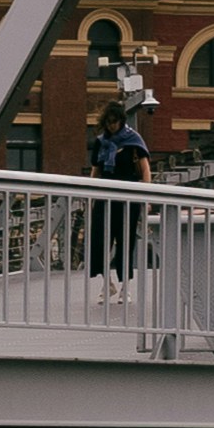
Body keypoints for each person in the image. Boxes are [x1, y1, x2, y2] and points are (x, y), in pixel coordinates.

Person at [88, 101, 153, 292]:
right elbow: (96, 169)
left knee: (126, 240)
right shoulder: (101, 142)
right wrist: (90, 194)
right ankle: (106, 283)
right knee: (100, 240)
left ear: (121, 121)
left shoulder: (133, 140)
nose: (111, 126)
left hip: (127, 199)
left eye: (114, 122)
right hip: (104, 197)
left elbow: (145, 168)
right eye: (108, 122)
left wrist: (146, 196)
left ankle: (126, 286)